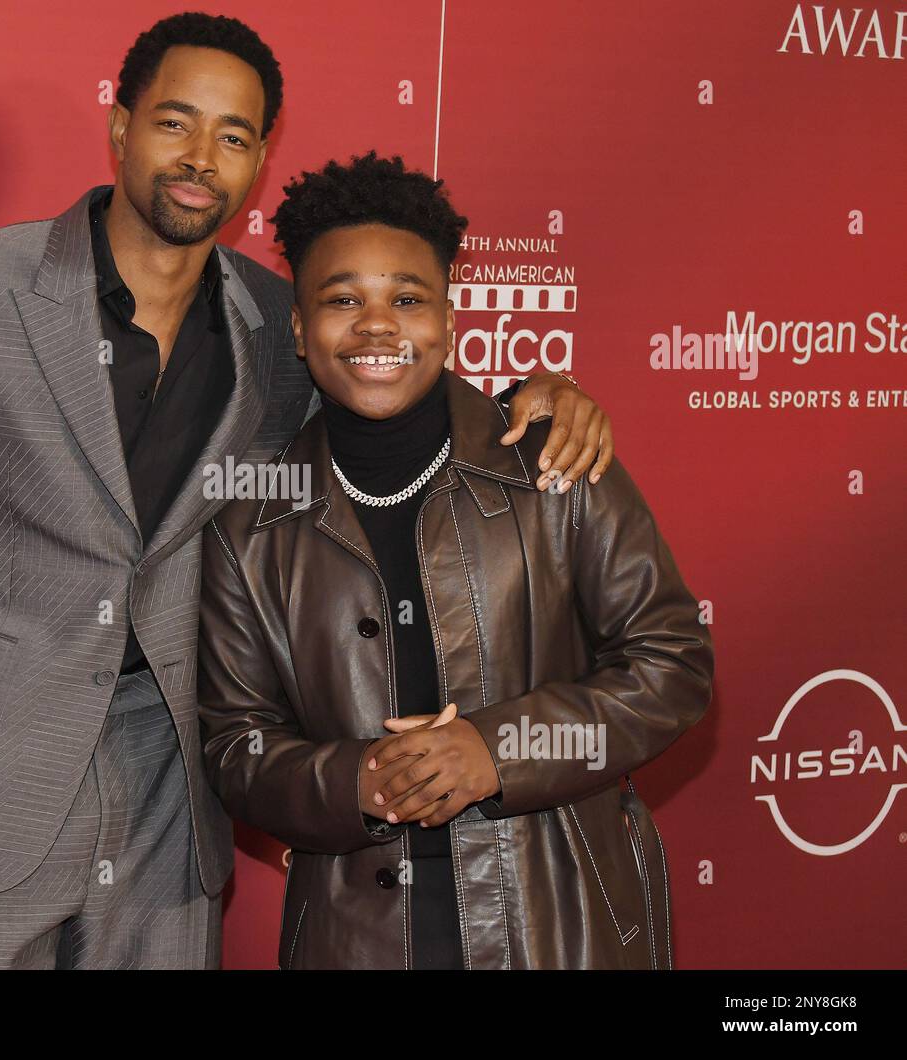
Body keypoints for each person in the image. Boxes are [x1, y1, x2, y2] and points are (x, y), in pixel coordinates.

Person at [0, 13, 614, 970]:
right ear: (119, 124)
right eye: (175, 123)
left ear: (260, 159)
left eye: (233, 137)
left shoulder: (279, 325)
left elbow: (393, 374)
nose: (200, 159)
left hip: (169, 800)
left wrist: (534, 397)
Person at [196, 150, 714, 969]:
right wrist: (354, 782)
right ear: (298, 327)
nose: (375, 325)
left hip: (562, 923)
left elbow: (672, 665)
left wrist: (499, 750)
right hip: (352, 940)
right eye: (341, 300)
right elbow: (234, 747)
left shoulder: (556, 465)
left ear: (448, 315)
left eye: (407, 298)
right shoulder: (248, 525)